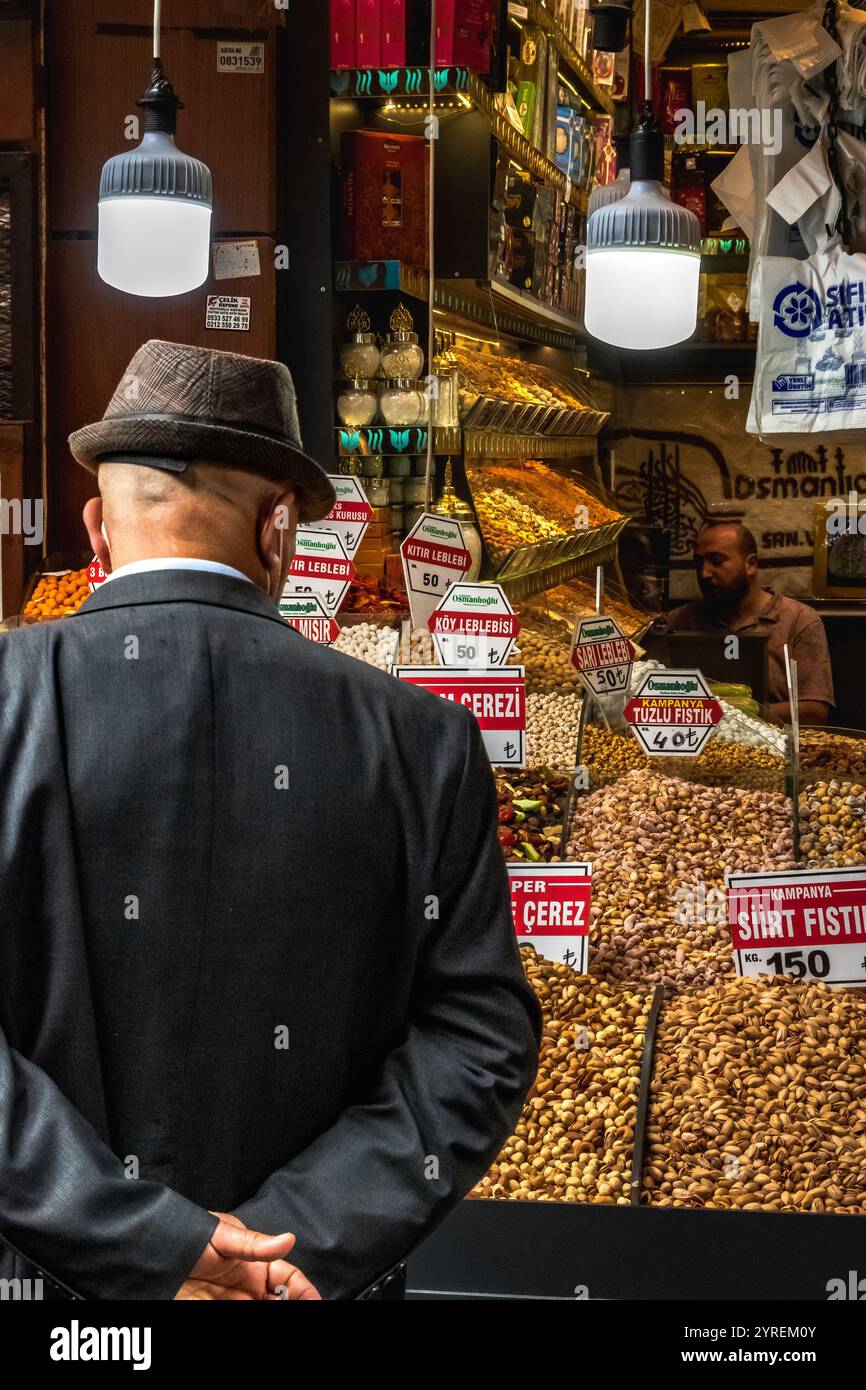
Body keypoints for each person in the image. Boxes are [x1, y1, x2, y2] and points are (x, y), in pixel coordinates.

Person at [0, 339, 541, 1301]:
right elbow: (476, 1032)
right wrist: (288, 1248)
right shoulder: (425, 740)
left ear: (96, 528)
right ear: (280, 532)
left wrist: (147, 1241)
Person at [665, 521, 834, 725]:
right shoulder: (680, 621)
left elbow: (815, 712)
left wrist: (732, 712)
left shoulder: (797, 619)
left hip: (774, 747)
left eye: (716, 561)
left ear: (751, 565)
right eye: (699, 563)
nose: (704, 574)